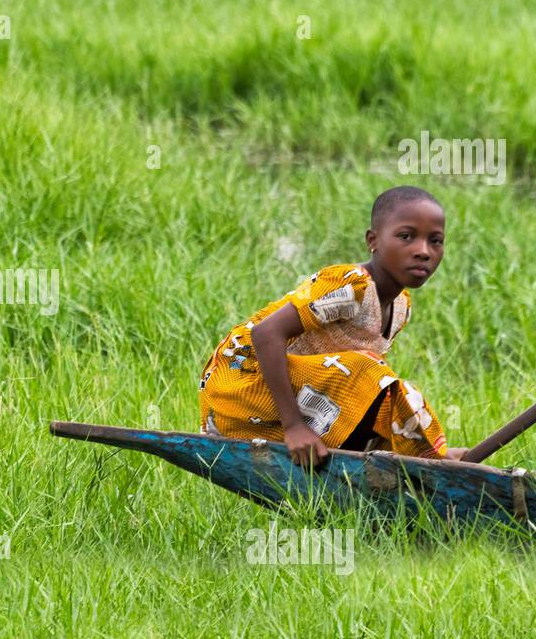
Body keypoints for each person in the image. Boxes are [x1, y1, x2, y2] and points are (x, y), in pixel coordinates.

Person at [197, 185, 470, 470]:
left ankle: (426, 457)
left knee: (379, 386)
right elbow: (266, 334)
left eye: (435, 241)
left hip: (303, 394)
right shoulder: (351, 285)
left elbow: (364, 396)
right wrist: (294, 426)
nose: (423, 251)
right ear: (373, 240)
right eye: (406, 237)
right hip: (243, 382)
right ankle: (431, 458)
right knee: (370, 370)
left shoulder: (401, 305)